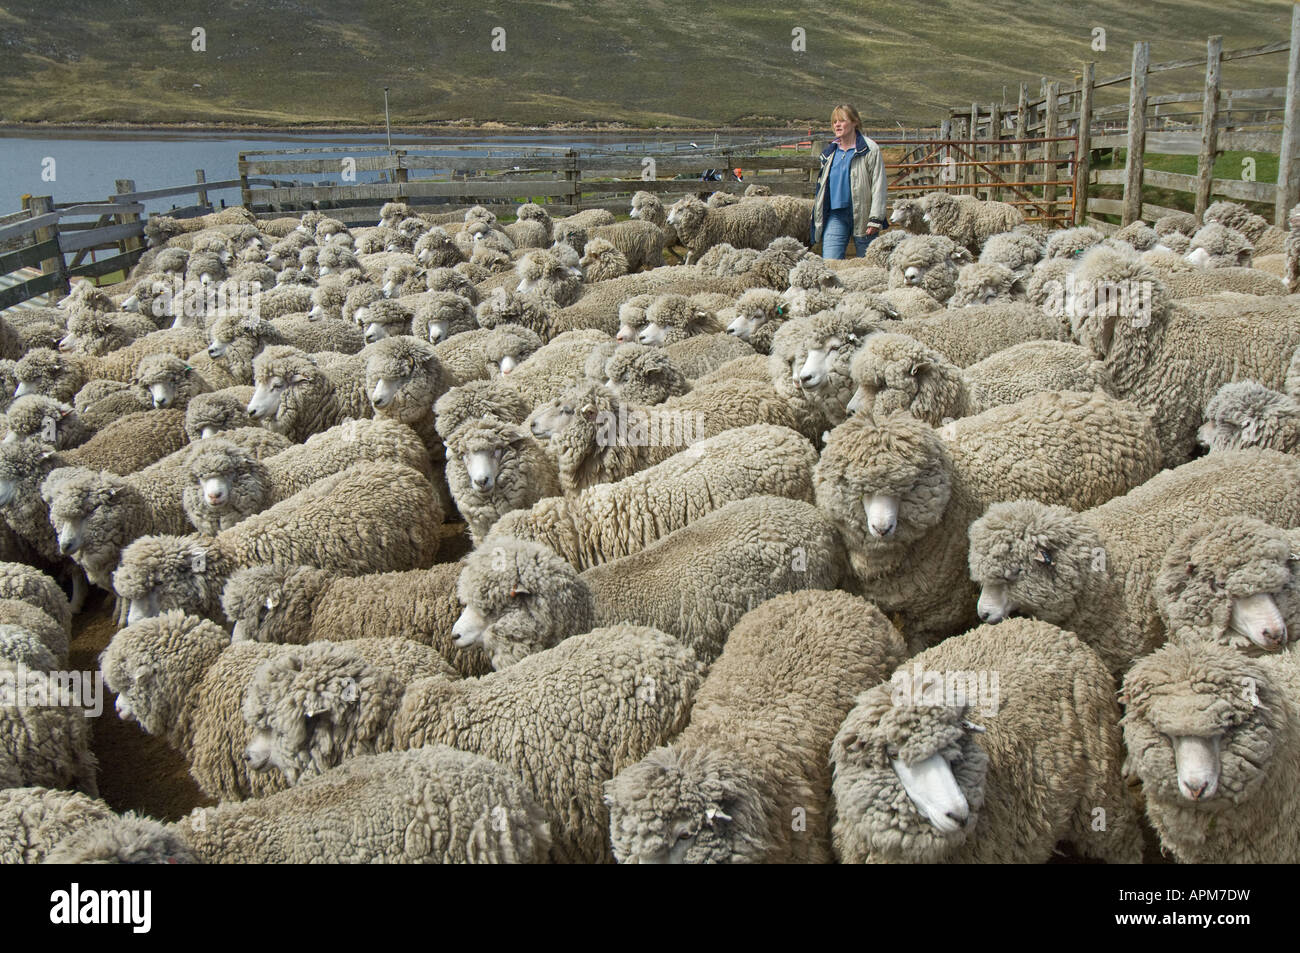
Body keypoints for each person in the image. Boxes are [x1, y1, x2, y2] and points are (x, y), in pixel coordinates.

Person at [810, 104, 888, 260]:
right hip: (836, 214)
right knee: (830, 262)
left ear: (855, 122)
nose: (837, 125)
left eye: (842, 120)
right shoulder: (829, 153)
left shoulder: (869, 149)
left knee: (867, 265)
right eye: (834, 122)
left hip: (863, 214)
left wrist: (875, 218)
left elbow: (879, 185)